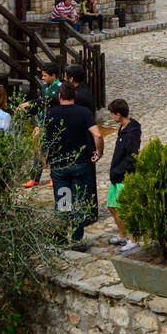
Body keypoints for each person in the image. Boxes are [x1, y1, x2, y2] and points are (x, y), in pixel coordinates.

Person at [34, 83, 104, 251]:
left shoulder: (49, 114)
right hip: (80, 164)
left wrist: (42, 157)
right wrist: (98, 152)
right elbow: (98, 135)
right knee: (79, 201)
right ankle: (77, 240)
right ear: (75, 96)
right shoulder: (84, 113)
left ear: (59, 96)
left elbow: (35, 136)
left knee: (63, 201)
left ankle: (61, 238)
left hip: (59, 165)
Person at [64, 63, 99, 225]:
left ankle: (90, 212)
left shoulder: (81, 95)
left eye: (65, 77)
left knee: (87, 177)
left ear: (71, 79)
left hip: (86, 141)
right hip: (81, 140)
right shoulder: (82, 91)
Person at [105, 98, 142, 252]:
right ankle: (123, 235)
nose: (111, 118)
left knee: (126, 209)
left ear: (118, 114)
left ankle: (133, 240)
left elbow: (131, 157)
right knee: (112, 206)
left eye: (112, 115)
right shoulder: (122, 128)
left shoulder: (131, 132)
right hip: (116, 175)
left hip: (124, 176)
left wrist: (119, 171)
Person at [23, 64, 62, 188]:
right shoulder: (44, 86)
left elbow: (52, 101)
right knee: (38, 148)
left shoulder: (60, 88)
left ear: (53, 76)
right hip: (42, 122)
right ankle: (35, 177)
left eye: (45, 75)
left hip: (55, 122)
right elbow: (41, 102)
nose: (42, 78)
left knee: (54, 148)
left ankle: (54, 177)